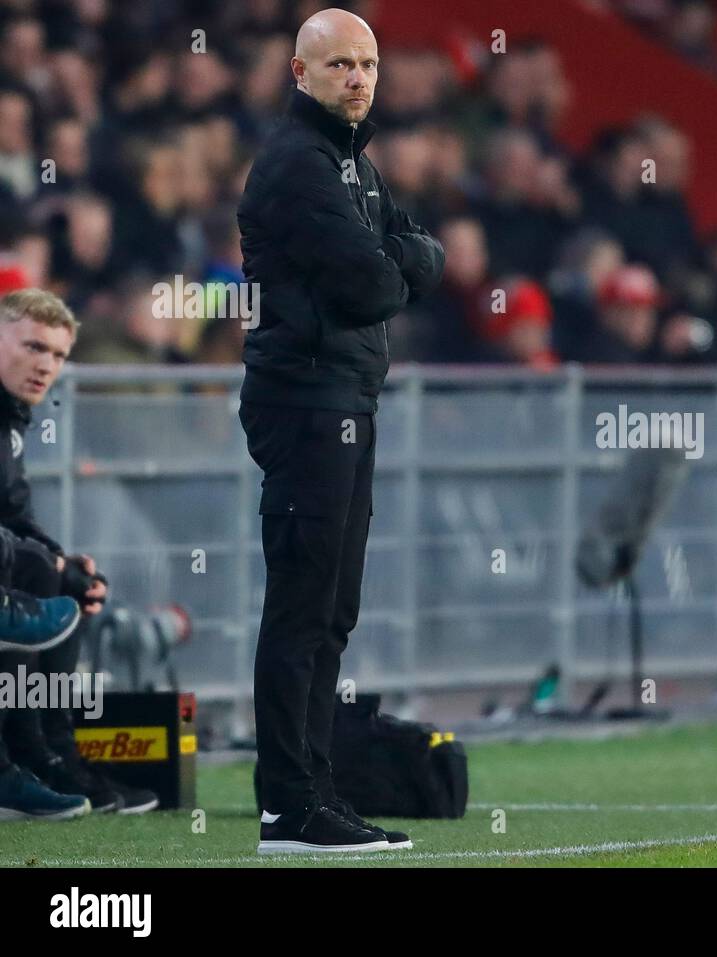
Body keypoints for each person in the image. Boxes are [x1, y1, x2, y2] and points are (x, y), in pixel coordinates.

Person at [238, 8, 444, 854]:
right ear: (300, 74)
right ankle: (288, 804)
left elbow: (417, 250)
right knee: (303, 607)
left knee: (332, 610)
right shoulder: (296, 165)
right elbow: (372, 282)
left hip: (349, 398)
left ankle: (316, 794)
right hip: (307, 402)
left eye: (366, 64)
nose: (357, 78)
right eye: (338, 66)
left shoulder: (352, 164)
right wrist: (400, 263)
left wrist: (399, 261)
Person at [0, 289, 154, 818]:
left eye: (59, 355)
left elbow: (15, 514)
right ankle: (17, 760)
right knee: (40, 574)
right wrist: (47, 564)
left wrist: (66, 563)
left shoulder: (12, 419)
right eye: (33, 347)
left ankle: (45, 750)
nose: (46, 366)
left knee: (64, 579)